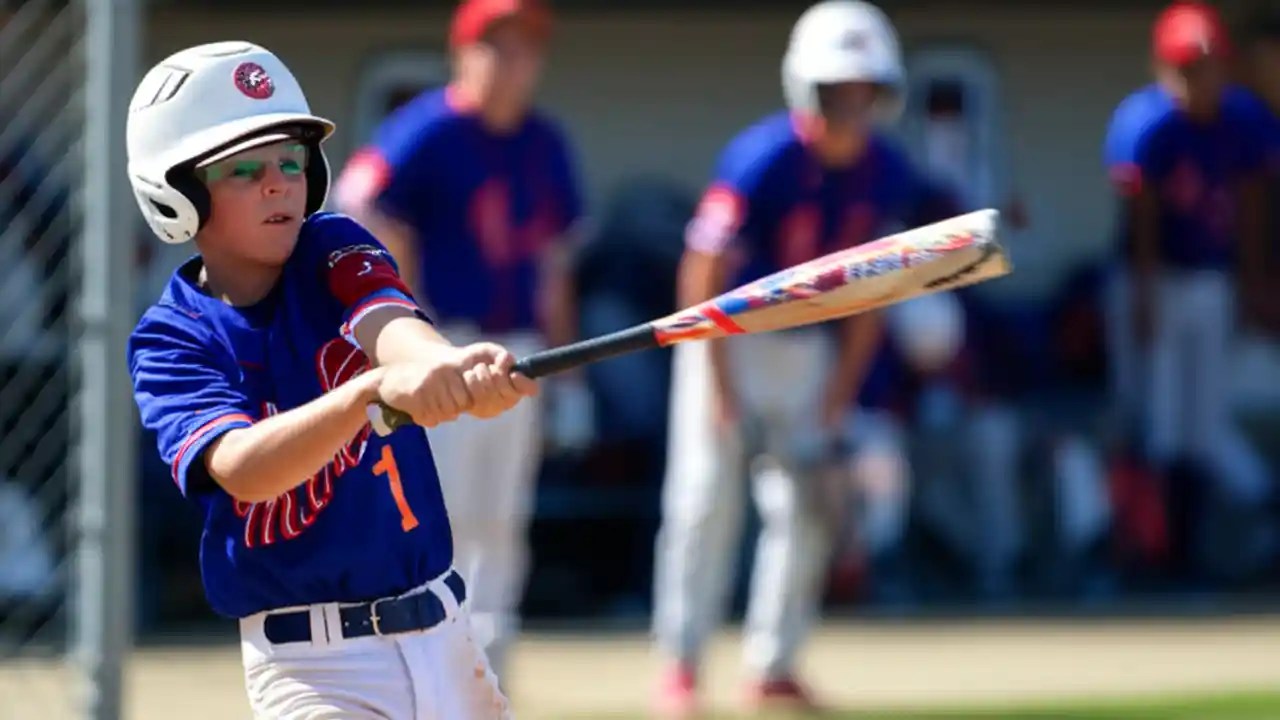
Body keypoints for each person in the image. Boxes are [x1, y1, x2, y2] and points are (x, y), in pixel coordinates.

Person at [126, 41, 537, 719]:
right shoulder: (174, 338)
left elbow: (390, 324)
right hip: (313, 665)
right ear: (176, 193)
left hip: (445, 637)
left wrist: (447, 367)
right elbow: (241, 468)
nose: (278, 183)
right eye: (244, 170)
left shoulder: (330, 244)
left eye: (291, 162)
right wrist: (368, 394)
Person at [650, 2, 947, 714]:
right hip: (728, 343)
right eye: (836, 90)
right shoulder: (761, 157)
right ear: (805, 89)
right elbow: (702, 270)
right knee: (703, 505)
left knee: (807, 506)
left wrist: (840, 389)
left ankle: (773, 662)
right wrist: (719, 386)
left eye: (863, 91)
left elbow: (874, 288)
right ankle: (681, 666)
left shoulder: (885, 170)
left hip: (809, 350)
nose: (850, 107)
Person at [333, 0, 585, 680]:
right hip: (444, 350)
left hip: (518, 352)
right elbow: (359, 208)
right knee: (431, 518)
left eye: (526, 46)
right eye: (497, 45)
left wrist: (570, 379)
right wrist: (405, 331)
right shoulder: (428, 130)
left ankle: (485, 675)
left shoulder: (543, 142)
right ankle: (413, 671)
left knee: (502, 521)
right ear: (463, 52)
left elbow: (554, 261)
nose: (514, 62)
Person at [1102, 1, 1273, 521]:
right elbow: (1142, 223)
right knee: (1159, 419)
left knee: (1203, 423)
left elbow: (1252, 207)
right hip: (1153, 279)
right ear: (1162, 68)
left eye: (1203, 66)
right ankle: (1153, 545)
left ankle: (1196, 543)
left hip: (1211, 280)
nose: (1195, 80)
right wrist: (1144, 297)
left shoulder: (1243, 118)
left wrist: (1254, 284)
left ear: (1223, 65)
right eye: (1183, 68)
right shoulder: (1146, 122)